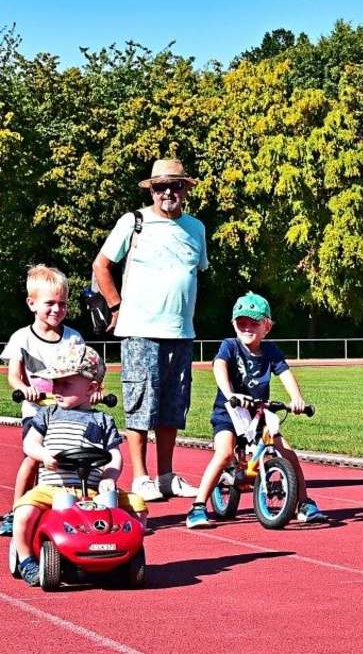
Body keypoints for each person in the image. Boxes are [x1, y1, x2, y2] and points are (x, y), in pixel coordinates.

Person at [91, 159, 209, 503]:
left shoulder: (196, 228)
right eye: (160, 186)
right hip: (140, 329)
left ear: (186, 189)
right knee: (140, 403)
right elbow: (101, 265)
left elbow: (195, 271)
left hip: (181, 331)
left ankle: (166, 476)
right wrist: (115, 306)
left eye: (175, 185)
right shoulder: (134, 222)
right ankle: (142, 478)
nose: (167, 192)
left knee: (173, 407)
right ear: (151, 190)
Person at [185, 292, 326, 528]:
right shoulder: (230, 346)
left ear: (267, 327)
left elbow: (284, 372)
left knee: (288, 453)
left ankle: (304, 503)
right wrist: (231, 394)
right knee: (224, 453)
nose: (247, 328)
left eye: (254, 324)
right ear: (234, 324)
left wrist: (296, 399)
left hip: (259, 413)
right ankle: (197, 507)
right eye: (242, 323)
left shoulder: (270, 351)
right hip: (229, 413)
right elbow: (219, 366)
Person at [10, 343, 148, 586]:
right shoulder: (48, 414)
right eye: (55, 383)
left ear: (91, 388)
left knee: (138, 506)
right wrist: (44, 454)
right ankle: (26, 560)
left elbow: (114, 455)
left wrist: (109, 477)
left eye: (66, 384)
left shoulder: (103, 420)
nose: (57, 389)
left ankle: (128, 551)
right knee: (23, 513)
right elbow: (30, 444)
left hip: (93, 491)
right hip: (53, 489)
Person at [1, 265, 85, 537]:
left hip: (68, 413)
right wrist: (25, 389)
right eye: (50, 303)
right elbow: (14, 376)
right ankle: (17, 511)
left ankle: (76, 507)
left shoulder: (73, 338)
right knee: (33, 458)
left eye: (63, 303)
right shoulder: (22, 338)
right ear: (32, 304)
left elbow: (86, 373)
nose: (56, 309)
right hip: (37, 413)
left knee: (74, 459)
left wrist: (93, 392)